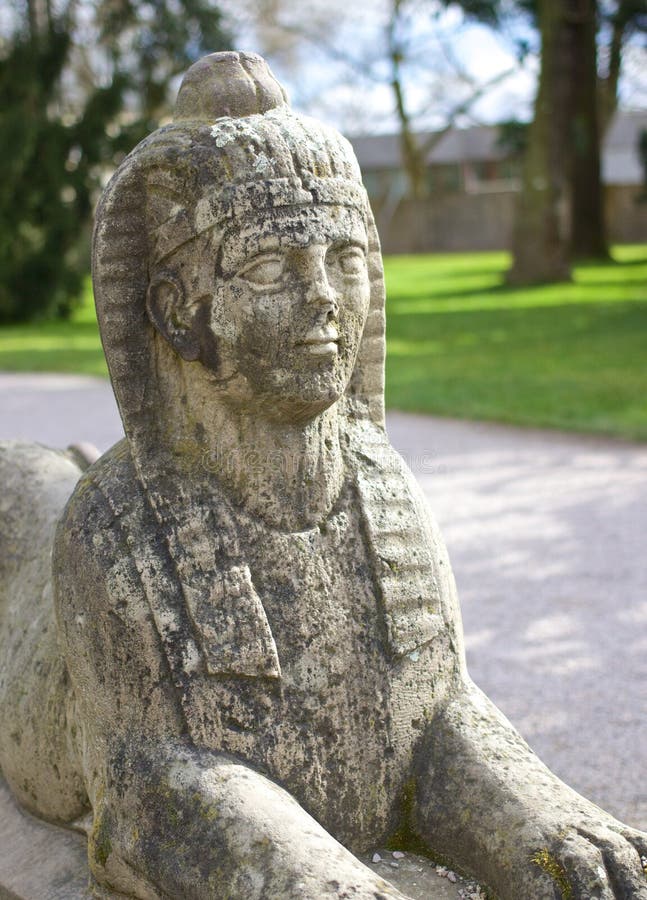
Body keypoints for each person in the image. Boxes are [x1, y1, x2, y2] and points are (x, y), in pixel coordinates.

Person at [1, 51, 645, 899]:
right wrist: (311, 880)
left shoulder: (384, 486)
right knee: (20, 485)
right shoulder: (117, 527)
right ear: (176, 309)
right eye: (270, 269)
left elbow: (434, 714)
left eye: (342, 259)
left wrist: (534, 815)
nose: (324, 299)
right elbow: (153, 790)